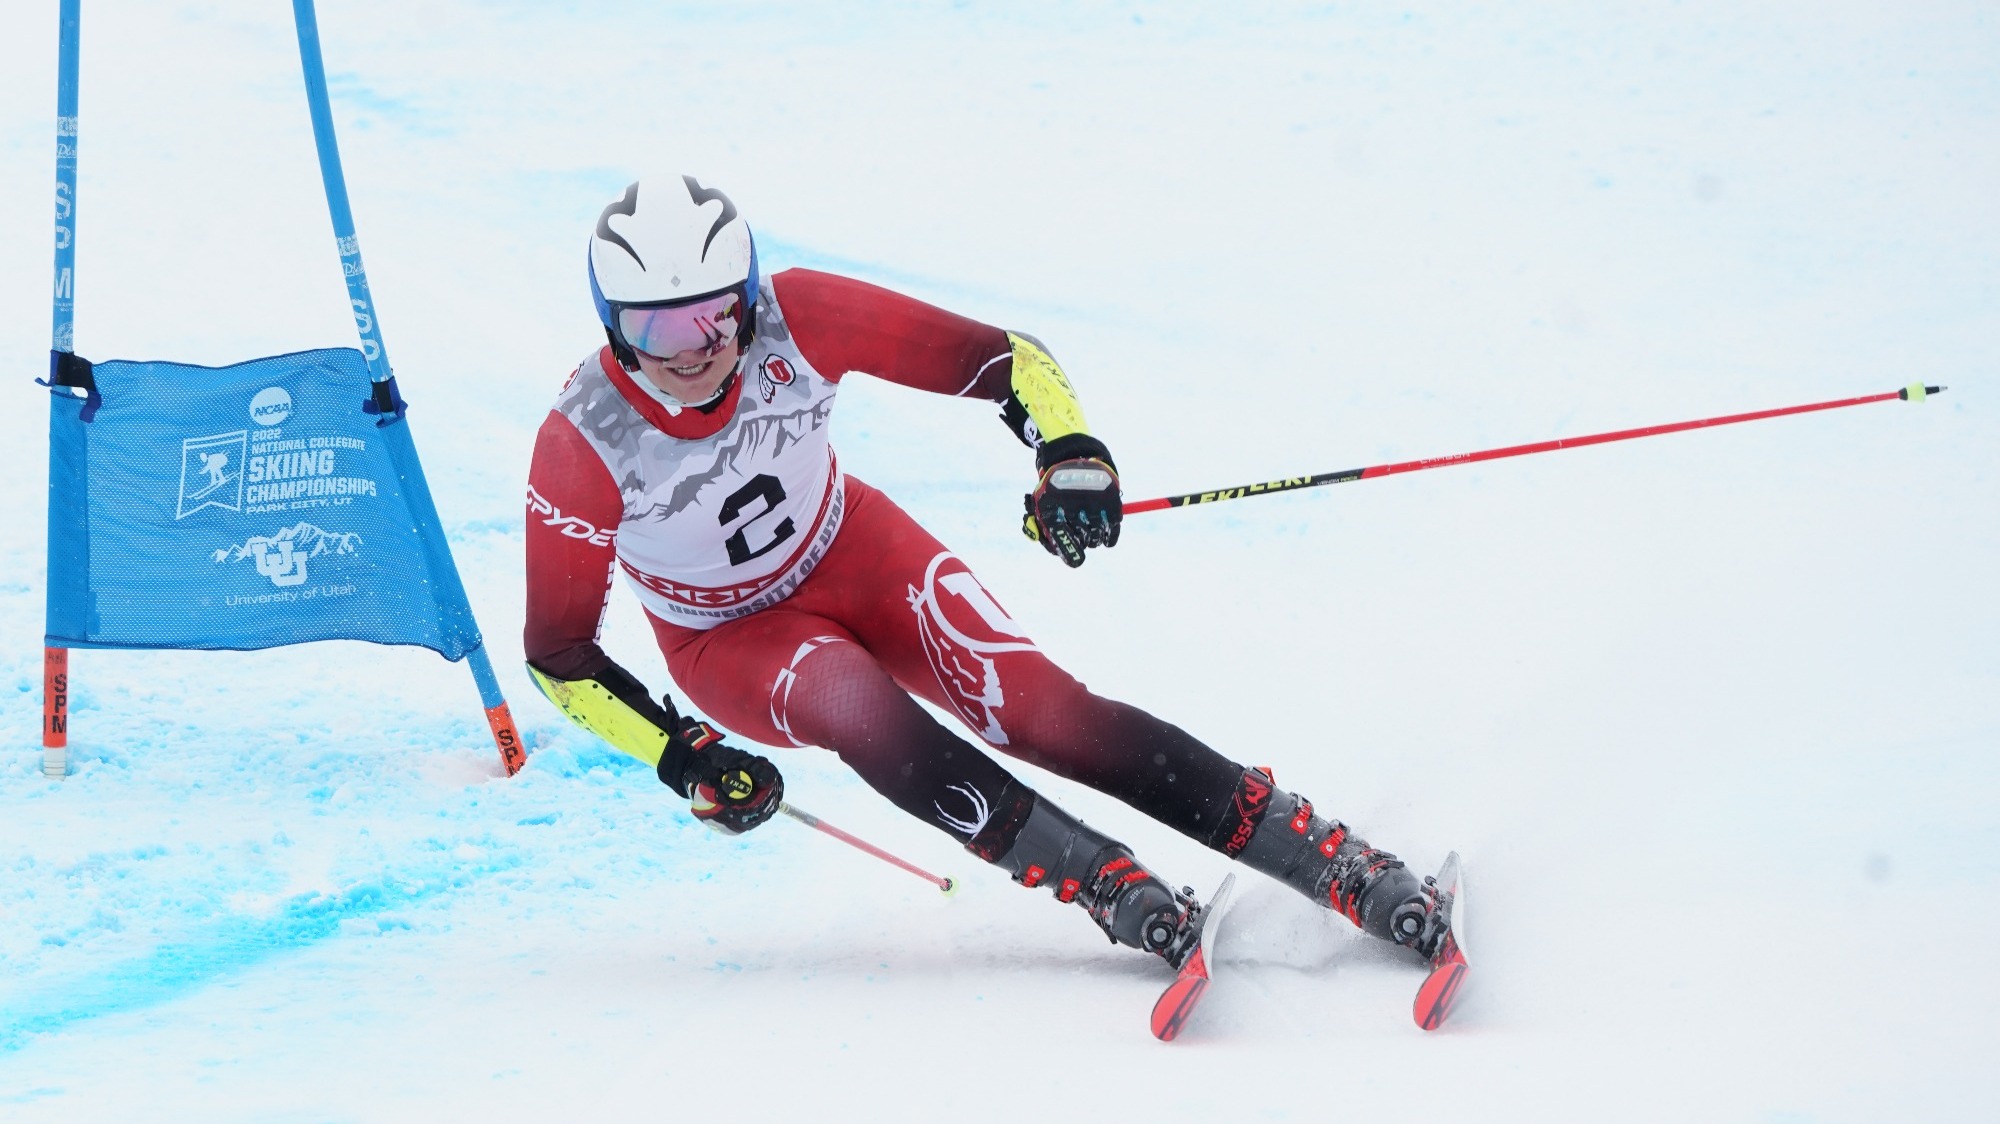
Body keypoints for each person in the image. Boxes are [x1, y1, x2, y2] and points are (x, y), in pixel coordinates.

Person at [524, 175, 1446, 965]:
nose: (693, 348)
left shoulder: (798, 317)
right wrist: (678, 751)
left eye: (714, 312)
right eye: (658, 324)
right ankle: (1101, 881)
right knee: (852, 701)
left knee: (1041, 708)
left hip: (852, 549)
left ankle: (1331, 859)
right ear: (613, 322)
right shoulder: (582, 443)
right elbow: (558, 655)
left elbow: (1006, 360)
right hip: (727, 639)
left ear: (749, 293)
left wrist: (1070, 452)